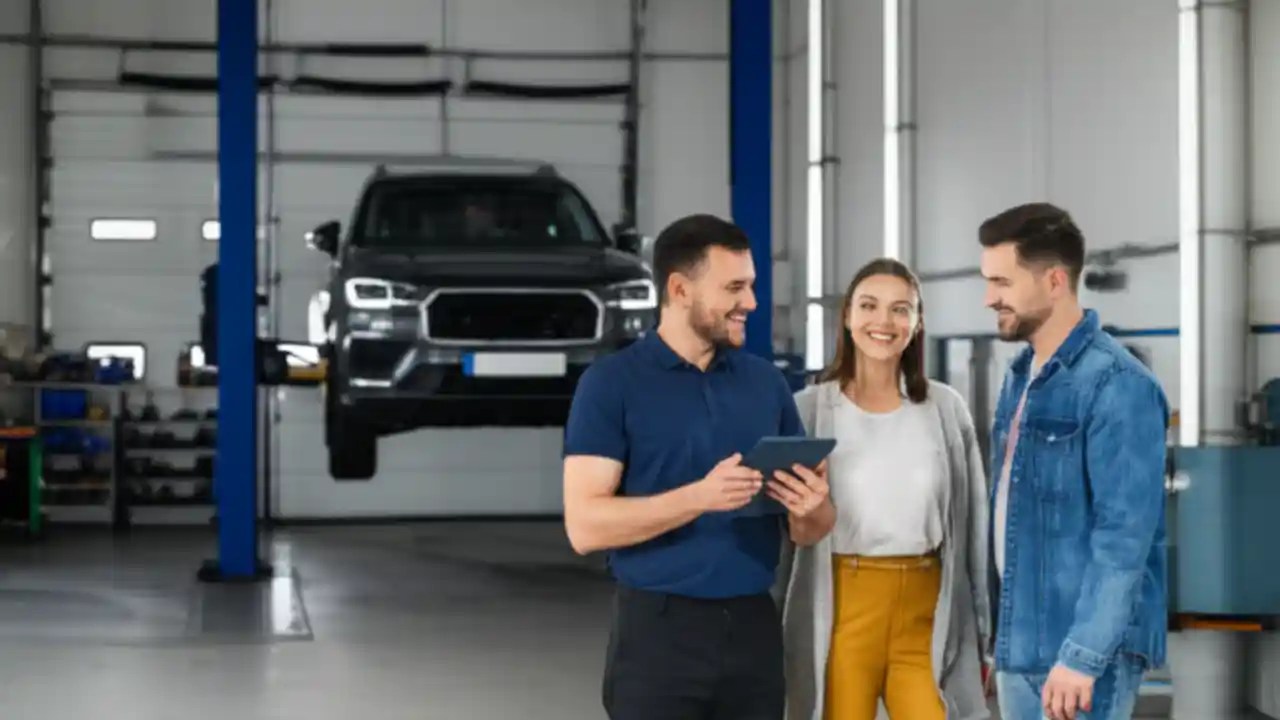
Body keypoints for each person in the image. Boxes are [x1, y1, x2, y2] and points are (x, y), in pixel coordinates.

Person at [561, 213, 833, 720]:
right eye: (735, 287)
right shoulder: (611, 385)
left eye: (751, 286)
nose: (750, 303)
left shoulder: (765, 383)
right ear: (680, 289)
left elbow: (811, 530)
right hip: (657, 633)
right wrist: (699, 498)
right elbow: (584, 526)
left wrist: (812, 510)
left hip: (754, 627)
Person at [776, 258, 992, 720]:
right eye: (869, 306)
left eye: (901, 309)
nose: (884, 321)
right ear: (848, 317)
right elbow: (787, 531)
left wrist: (983, 630)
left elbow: (973, 527)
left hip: (926, 612)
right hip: (843, 611)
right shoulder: (809, 409)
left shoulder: (944, 409)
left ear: (916, 325)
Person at [978, 203, 1169, 720]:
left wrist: (1082, 656)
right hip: (1023, 641)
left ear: (1055, 281)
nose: (989, 297)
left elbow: (1124, 540)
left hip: (1080, 656)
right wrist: (998, 639)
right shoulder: (1022, 376)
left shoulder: (1117, 384)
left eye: (1002, 282)